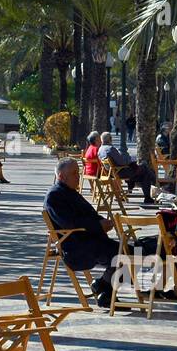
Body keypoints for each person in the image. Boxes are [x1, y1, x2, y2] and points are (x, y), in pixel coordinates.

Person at [45, 158, 121, 308]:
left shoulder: (71, 193)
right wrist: (98, 225)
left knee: (132, 251)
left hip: (89, 241)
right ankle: (104, 289)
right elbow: (70, 223)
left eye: (78, 173)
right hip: (76, 248)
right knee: (125, 254)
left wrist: (104, 222)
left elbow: (90, 214)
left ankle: (103, 287)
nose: (78, 177)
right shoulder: (55, 196)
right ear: (61, 176)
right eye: (74, 173)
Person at [98, 131, 156, 204]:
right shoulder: (110, 149)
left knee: (144, 175)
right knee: (144, 168)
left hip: (112, 173)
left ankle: (144, 192)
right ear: (110, 139)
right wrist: (129, 160)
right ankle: (154, 182)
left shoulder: (100, 150)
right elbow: (121, 162)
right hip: (120, 172)